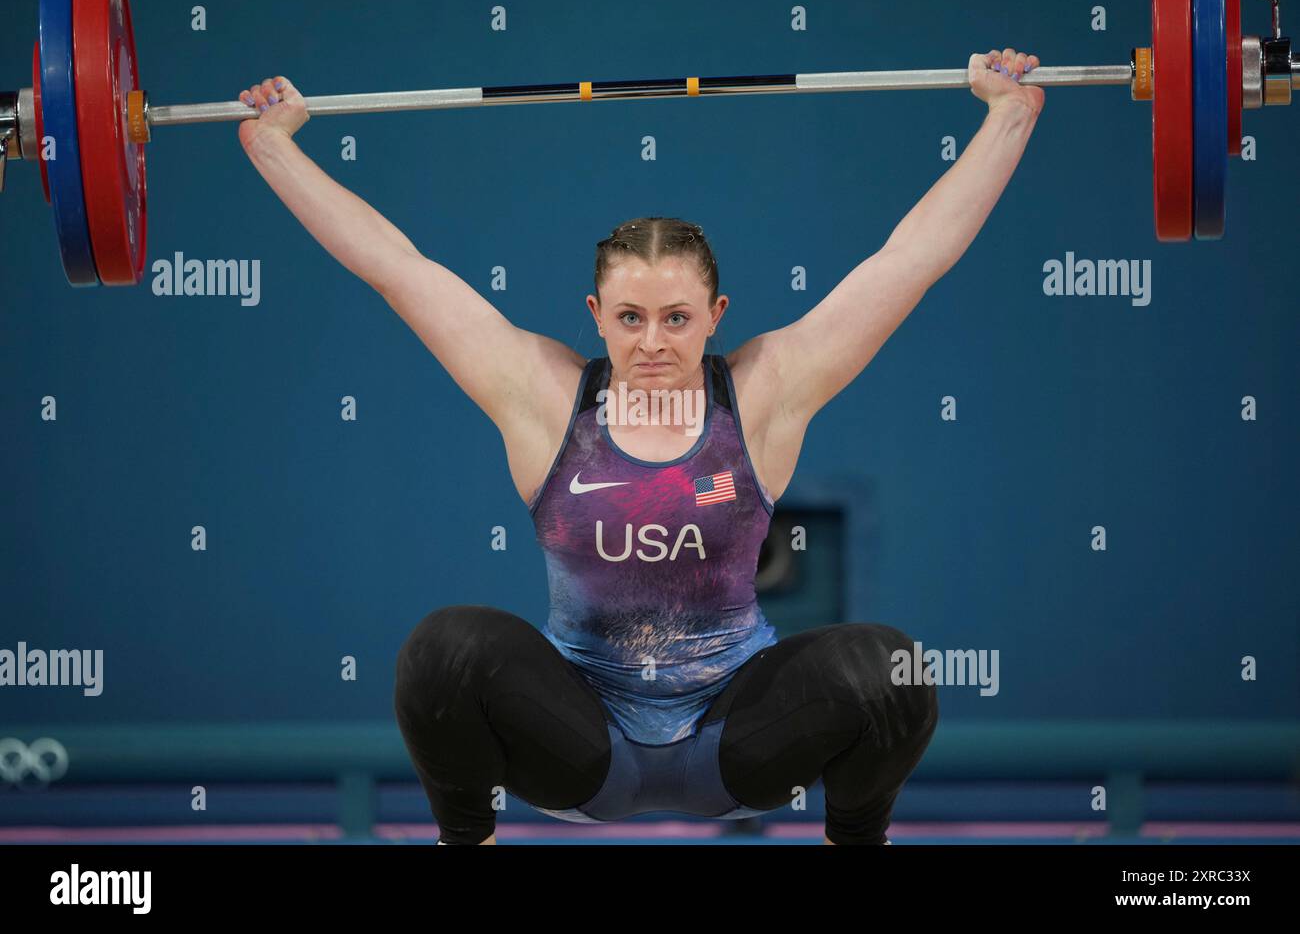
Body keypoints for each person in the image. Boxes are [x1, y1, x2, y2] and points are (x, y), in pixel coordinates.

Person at [237, 48, 1043, 844]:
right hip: (582, 742)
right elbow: (396, 269)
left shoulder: (764, 392)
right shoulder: (542, 394)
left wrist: (1008, 116)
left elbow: (908, 263)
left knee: (891, 669)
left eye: (677, 318)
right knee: (442, 652)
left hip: (739, 737)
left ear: (717, 313)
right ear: (595, 313)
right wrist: (275, 147)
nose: (653, 341)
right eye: (630, 318)